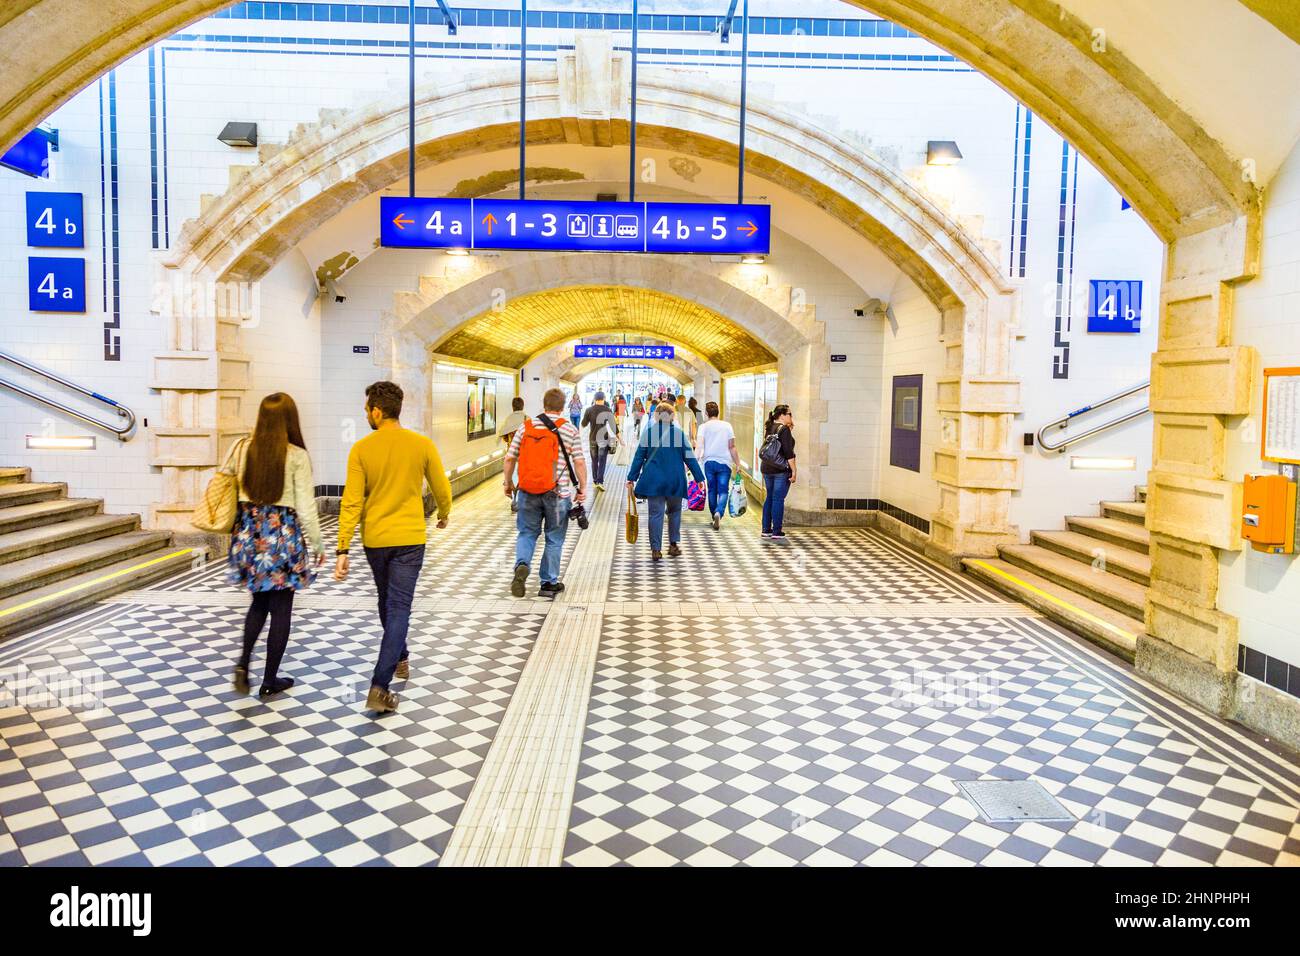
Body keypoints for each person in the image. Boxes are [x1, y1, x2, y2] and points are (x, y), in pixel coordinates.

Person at [334, 381, 452, 715]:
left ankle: (394, 664)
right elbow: (441, 487)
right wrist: (444, 514)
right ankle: (381, 683)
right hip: (411, 538)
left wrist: (343, 548)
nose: (366, 415)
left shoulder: (361, 449)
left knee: (387, 602)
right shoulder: (422, 445)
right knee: (398, 606)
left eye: (367, 410)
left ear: (376, 410)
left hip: (376, 539)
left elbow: (352, 502)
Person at [228, 393, 323, 698]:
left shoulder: (241, 448)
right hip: (282, 536)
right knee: (281, 609)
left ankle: (243, 663)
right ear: (290, 420)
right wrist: (318, 544)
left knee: (258, 602)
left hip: (249, 534)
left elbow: (227, 484)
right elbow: (306, 507)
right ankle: (270, 679)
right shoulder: (296, 455)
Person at [504, 387, 588, 597]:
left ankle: (522, 565)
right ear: (563, 406)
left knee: (527, 533)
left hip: (527, 490)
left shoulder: (526, 427)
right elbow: (579, 461)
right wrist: (582, 488)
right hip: (557, 494)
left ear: (544, 404)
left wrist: (508, 483)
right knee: (554, 538)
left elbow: (510, 457)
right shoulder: (570, 429)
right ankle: (548, 582)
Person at [626, 401, 705, 561]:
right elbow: (689, 457)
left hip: (654, 481)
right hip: (675, 480)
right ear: (672, 416)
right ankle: (674, 545)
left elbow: (639, 457)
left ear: (656, 416)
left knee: (655, 514)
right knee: (675, 512)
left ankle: (656, 549)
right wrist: (699, 478)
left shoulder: (648, 434)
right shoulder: (679, 434)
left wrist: (631, 478)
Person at [695, 401, 742, 531]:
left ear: (706, 413)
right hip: (725, 463)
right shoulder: (727, 426)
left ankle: (713, 515)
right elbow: (732, 446)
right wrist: (738, 463)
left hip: (709, 462)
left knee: (712, 490)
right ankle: (719, 512)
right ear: (718, 412)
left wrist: (693, 464)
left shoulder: (703, 427)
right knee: (723, 490)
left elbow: (699, 447)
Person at [760, 403, 797, 542]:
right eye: (789, 414)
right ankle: (776, 530)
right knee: (778, 499)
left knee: (770, 497)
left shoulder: (770, 427)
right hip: (780, 470)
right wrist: (794, 470)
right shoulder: (784, 430)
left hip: (767, 468)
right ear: (782, 415)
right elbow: (788, 453)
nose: (791, 416)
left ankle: (766, 529)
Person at [581, 390, 617, 493]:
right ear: (604, 399)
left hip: (592, 439)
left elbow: (583, 424)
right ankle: (600, 482)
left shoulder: (589, 410)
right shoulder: (608, 410)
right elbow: (613, 426)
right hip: (603, 440)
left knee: (594, 461)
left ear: (594, 399)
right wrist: (621, 439)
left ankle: (595, 481)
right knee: (602, 461)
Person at [500, 396, 527, 513]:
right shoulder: (527, 419)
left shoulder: (508, 420)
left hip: (512, 454)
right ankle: (520, 498)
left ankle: (514, 499)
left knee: (512, 476)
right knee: (522, 476)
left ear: (512, 407)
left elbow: (504, 437)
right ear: (523, 406)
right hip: (524, 454)